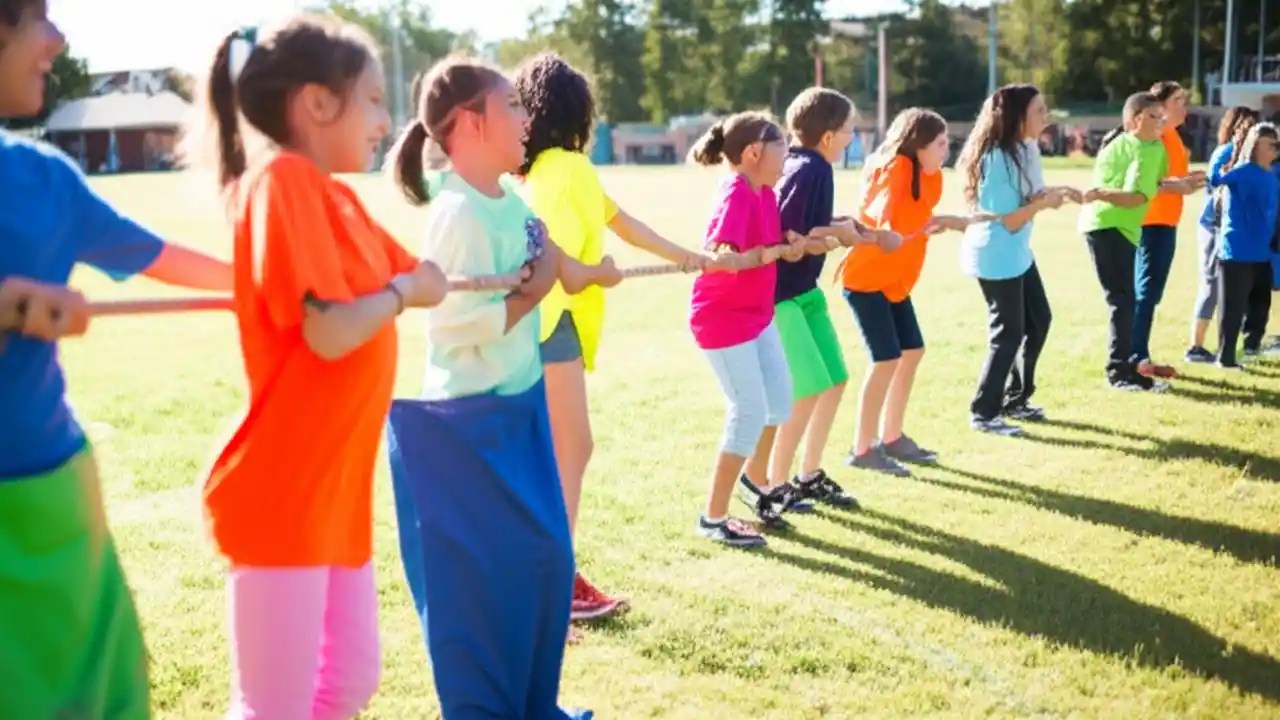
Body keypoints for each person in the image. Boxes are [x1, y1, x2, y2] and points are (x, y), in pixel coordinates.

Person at [196, 17, 450, 719]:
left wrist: (526, 266)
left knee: (348, 683)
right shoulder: (282, 183)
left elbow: (428, 274)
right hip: (284, 494)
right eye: (371, 99)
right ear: (316, 103)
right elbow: (331, 331)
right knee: (273, 706)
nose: (384, 120)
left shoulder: (334, 196)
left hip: (335, 492)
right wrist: (403, 294)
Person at [0, 3, 233, 718]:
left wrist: (283, 282)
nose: (58, 38)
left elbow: (160, 255)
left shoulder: (43, 177)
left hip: (55, 498)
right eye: (32, 17)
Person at [384, 55, 596, 719]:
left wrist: (572, 271)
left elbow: (545, 262)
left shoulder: (509, 200)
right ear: (472, 123)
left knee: (548, 562)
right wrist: (531, 295)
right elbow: (450, 326)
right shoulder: (458, 213)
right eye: (511, 106)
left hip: (520, 406)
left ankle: (535, 703)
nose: (526, 116)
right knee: (492, 581)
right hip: (470, 426)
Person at [512, 52, 715, 620]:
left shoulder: (549, 171)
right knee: (570, 449)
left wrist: (687, 258)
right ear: (576, 114)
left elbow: (621, 223)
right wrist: (595, 272)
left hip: (549, 323)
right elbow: (543, 245)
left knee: (563, 450)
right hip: (548, 324)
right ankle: (554, 580)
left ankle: (553, 572)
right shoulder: (566, 169)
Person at [739, 87, 885, 521]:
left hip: (806, 292)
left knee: (835, 379)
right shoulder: (812, 169)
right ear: (827, 137)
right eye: (849, 130)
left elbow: (804, 225)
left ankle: (807, 475)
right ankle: (771, 483)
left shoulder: (808, 165)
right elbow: (786, 232)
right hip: (782, 297)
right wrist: (836, 235)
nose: (852, 137)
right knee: (806, 389)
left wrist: (840, 225)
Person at [688, 111, 804, 547]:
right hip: (723, 319)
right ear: (755, 152)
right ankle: (713, 518)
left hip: (757, 315)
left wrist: (786, 244)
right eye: (783, 149)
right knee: (750, 411)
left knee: (779, 400)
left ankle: (754, 484)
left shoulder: (765, 193)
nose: (787, 158)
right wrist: (738, 255)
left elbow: (766, 244)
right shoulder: (736, 191)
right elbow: (721, 251)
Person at [843, 108, 976, 478]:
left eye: (946, 141)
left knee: (912, 351)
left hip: (895, 282)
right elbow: (880, 212)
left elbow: (914, 218)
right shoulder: (897, 167)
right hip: (867, 279)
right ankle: (863, 447)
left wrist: (948, 222)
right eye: (938, 143)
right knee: (886, 358)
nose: (945, 150)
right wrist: (886, 228)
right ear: (916, 146)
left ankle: (892, 436)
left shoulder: (929, 177)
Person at [956, 83, 1076, 436]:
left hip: (1017, 251)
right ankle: (984, 412)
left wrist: (1054, 194)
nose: (1045, 115)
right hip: (996, 252)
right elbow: (1007, 219)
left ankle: (1015, 399)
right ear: (1017, 116)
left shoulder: (1026, 148)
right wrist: (1042, 203)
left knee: (1039, 319)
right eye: (1038, 110)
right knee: (1009, 333)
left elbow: (1029, 196)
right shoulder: (995, 157)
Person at [1078, 91, 1170, 392]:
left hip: (1107, 226)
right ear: (1137, 118)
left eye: (1163, 117)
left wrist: (1176, 185)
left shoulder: (1130, 143)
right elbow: (1134, 197)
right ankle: (1119, 373)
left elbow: (1148, 186)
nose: (1162, 122)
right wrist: (1103, 194)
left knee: (1125, 300)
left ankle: (1130, 368)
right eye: (1156, 116)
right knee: (1123, 301)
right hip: (1111, 226)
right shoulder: (1146, 147)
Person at [1132, 81, 1204, 377]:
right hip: (1151, 221)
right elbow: (1147, 178)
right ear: (1161, 105)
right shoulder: (1156, 135)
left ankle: (1138, 352)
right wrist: (1181, 186)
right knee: (1146, 292)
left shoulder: (1172, 135)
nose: (1184, 105)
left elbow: (1172, 177)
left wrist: (1195, 178)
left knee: (1151, 292)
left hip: (1167, 221)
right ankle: (1136, 356)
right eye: (1178, 100)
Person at [1186, 107, 1260, 362]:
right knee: (1211, 284)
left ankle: (1224, 345)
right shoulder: (1226, 152)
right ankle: (1195, 346)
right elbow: (1215, 184)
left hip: (1233, 228)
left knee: (1231, 288)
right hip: (1214, 225)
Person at [1214, 122, 1279, 368]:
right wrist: (1220, 159)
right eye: (1269, 144)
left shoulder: (1271, 175)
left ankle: (1251, 346)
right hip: (1238, 250)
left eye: (1276, 144)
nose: (1274, 149)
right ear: (1255, 146)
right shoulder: (1243, 171)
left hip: (1262, 251)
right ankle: (1226, 356)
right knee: (1234, 306)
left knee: (1260, 304)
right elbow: (1216, 179)